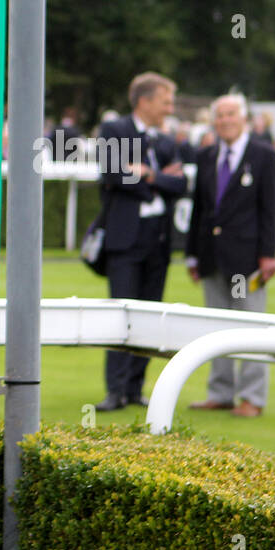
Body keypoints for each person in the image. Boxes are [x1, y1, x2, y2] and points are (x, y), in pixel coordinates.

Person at [94, 72, 189, 412]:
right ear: (145, 101)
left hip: (158, 240)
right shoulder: (115, 130)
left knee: (150, 317)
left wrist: (149, 175)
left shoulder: (166, 139)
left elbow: (180, 186)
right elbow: (113, 173)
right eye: (166, 100)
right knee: (121, 315)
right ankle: (114, 391)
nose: (170, 107)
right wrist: (154, 183)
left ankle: (135, 389)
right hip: (125, 238)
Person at [185, 94, 275, 417]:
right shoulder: (206, 155)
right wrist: (191, 255)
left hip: (248, 261)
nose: (224, 120)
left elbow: (270, 208)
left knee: (252, 328)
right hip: (211, 257)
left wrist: (268, 254)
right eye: (219, 115)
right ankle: (221, 393)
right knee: (216, 328)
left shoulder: (263, 155)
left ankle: (253, 398)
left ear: (243, 118)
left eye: (230, 114)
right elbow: (199, 207)